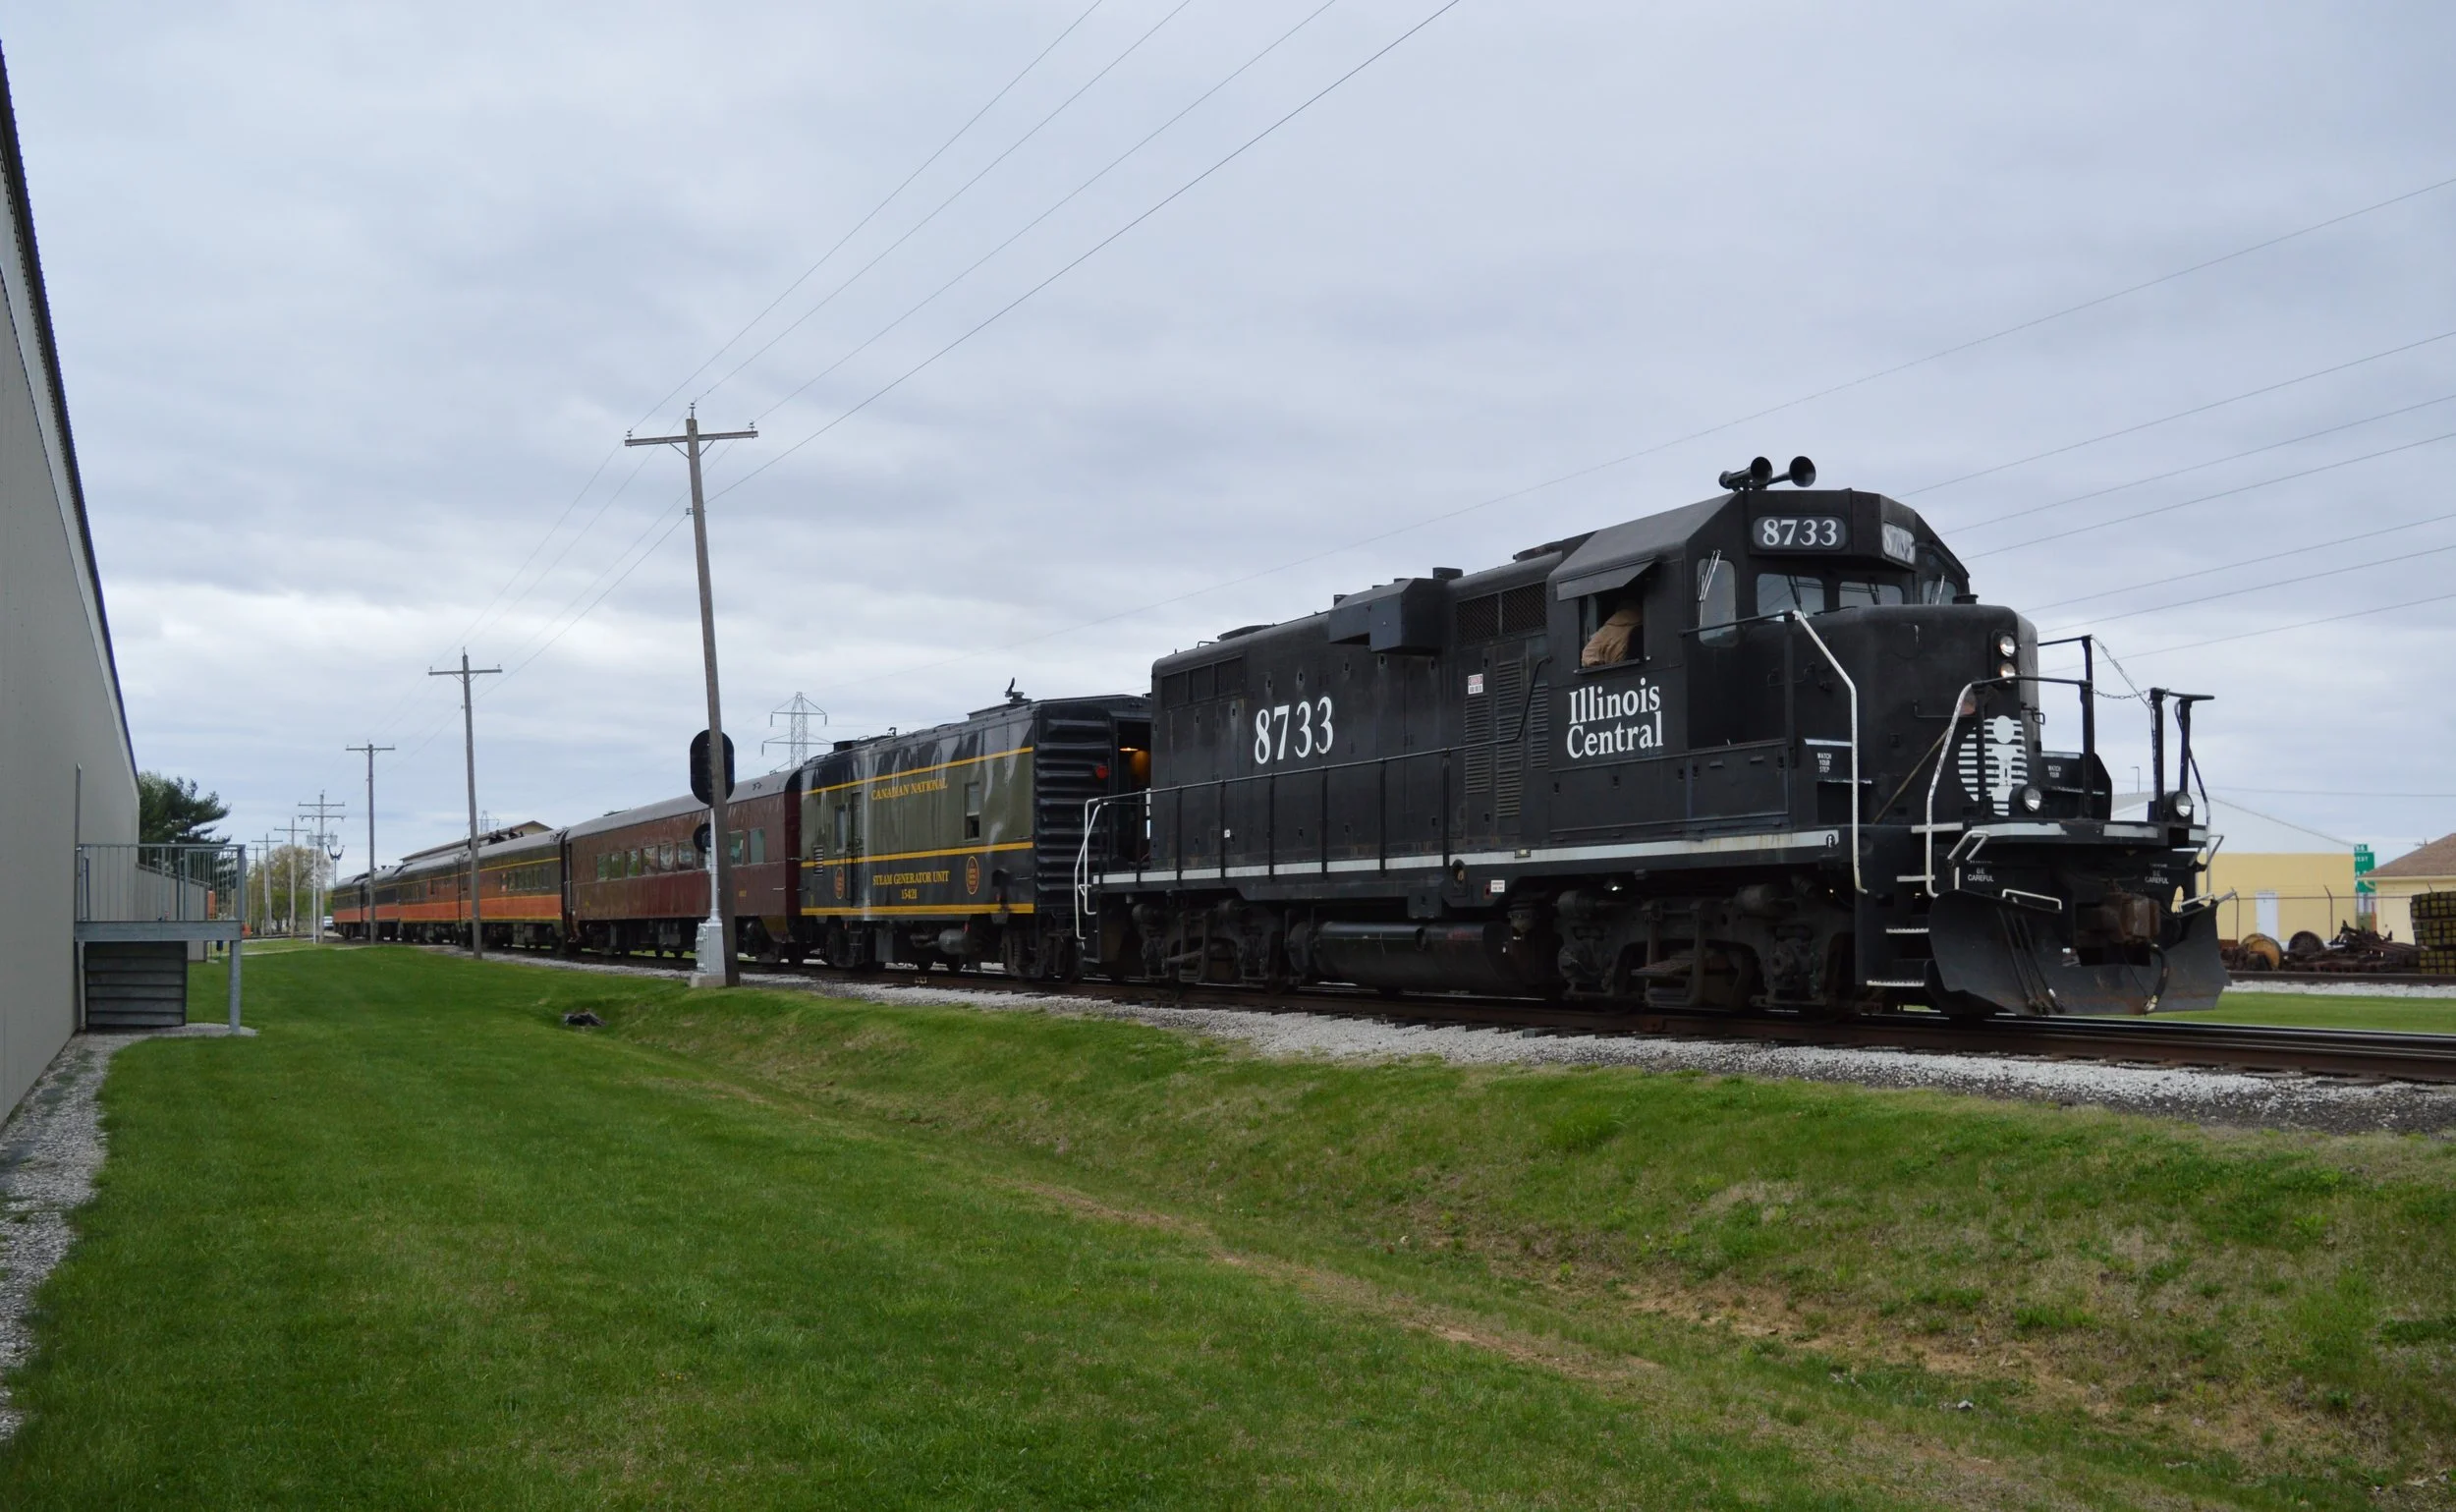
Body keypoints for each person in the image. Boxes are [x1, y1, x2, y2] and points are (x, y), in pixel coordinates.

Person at [1581, 600, 1642, 667]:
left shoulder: (1607, 631)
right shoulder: (1647, 626)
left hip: (1616, 673)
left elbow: (1588, 656)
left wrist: (1603, 671)